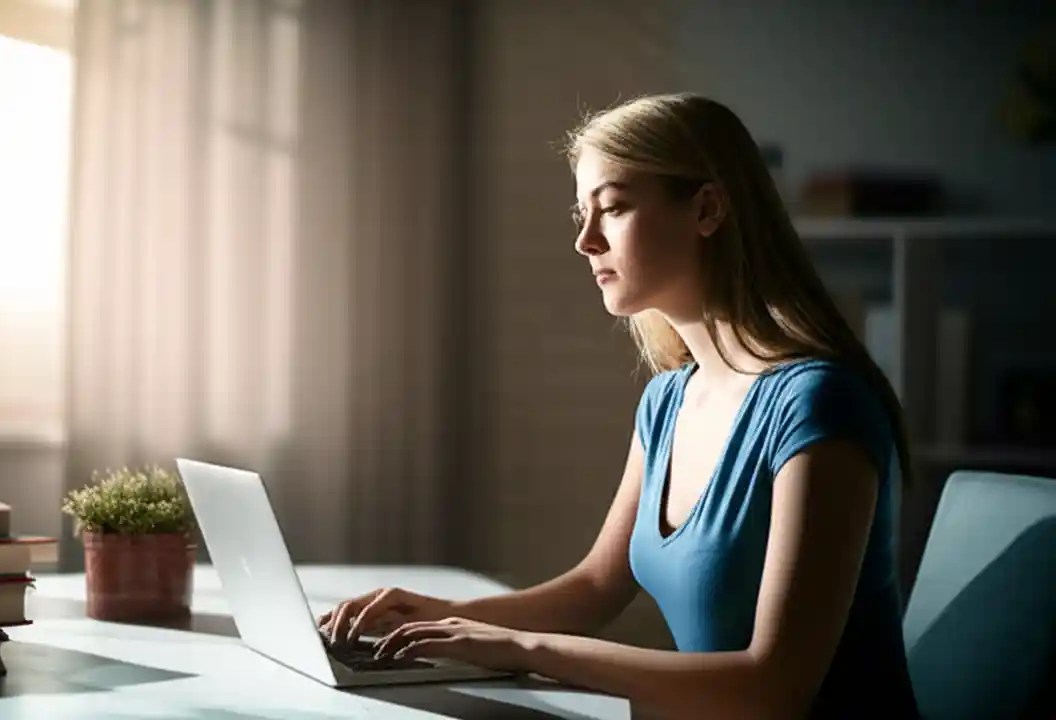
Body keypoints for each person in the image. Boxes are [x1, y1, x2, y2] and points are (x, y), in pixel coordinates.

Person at [317, 93, 920, 719]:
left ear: (707, 209)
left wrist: (526, 648)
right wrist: (434, 615)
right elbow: (593, 590)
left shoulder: (819, 404)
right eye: (582, 213)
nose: (584, 240)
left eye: (612, 208)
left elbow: (772, 687)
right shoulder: (667, 401)